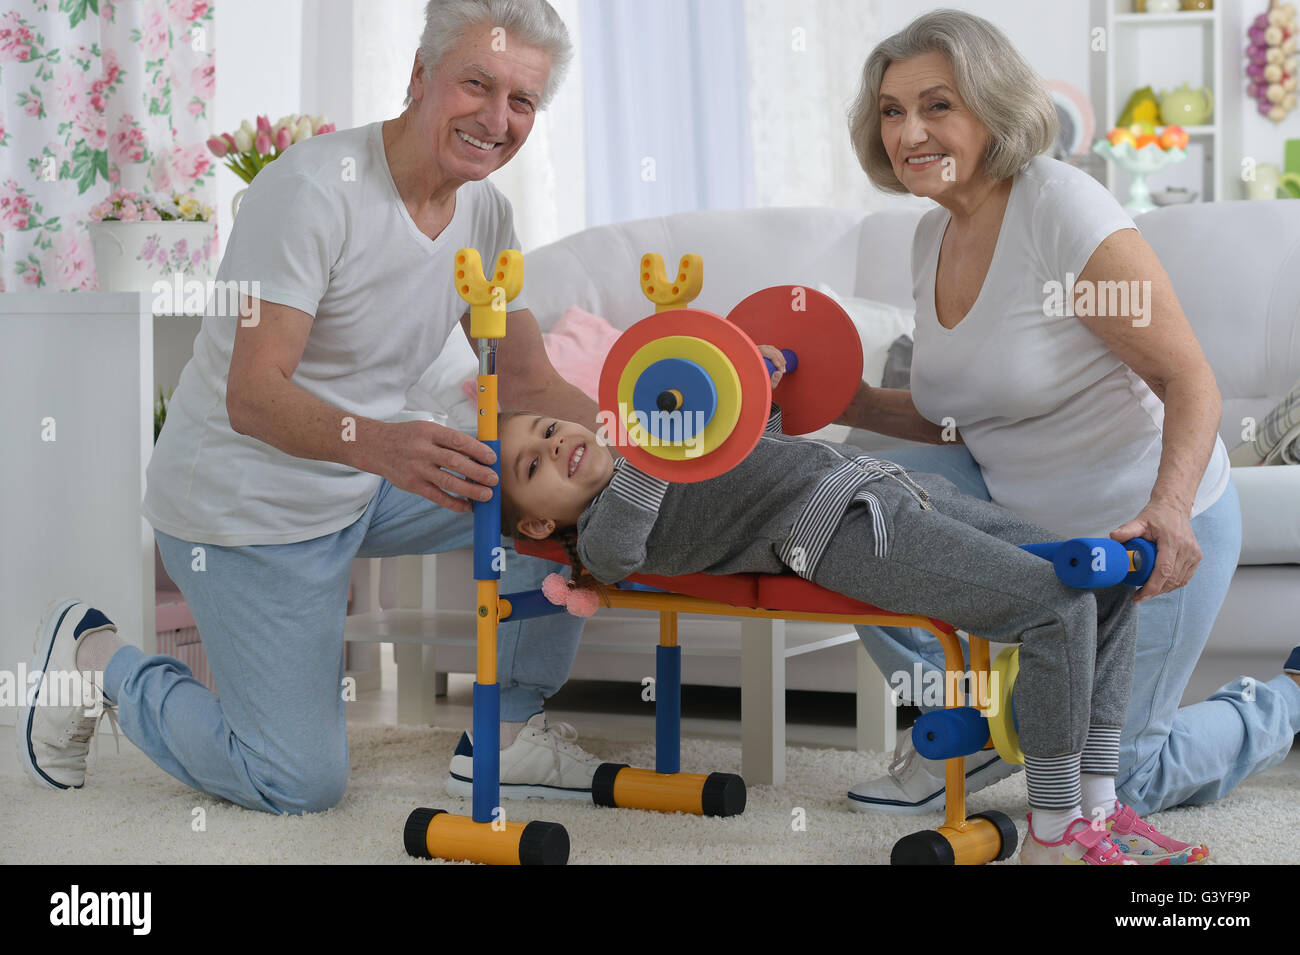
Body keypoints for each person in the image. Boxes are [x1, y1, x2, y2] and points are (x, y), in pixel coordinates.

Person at [18, 0, 610, 814]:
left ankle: (502, 732)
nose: (497, 119)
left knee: (580, 496)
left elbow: (529, 382)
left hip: (361, 482)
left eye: (522, 102)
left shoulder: (486, 213)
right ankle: (99, 660)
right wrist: (389, 448)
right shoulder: (308, 191)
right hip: (248, 505)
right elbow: (253, 395)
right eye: (479, 83)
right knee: (296, 781)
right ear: (418, 76)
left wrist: (642, 441)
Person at [835, 9, 1300, 817]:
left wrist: (1170, 511)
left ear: (992, 104)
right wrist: (842, 399)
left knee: (1119, 782)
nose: (910, 130)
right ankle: (972, 727)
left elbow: (1189, 378)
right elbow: (958, 415)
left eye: (937, 104)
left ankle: (1289, 699)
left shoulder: (1061, 212)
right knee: (851, 498)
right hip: (1024, 531)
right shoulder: (931, 240)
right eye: (892, 110)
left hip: (1133, 532)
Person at [491, 343, 1210, 864]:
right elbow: (619, 549)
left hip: (891, 489)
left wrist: (753, 382)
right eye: (533, 464)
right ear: (536, 524)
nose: (557, 447)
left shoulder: (672, 451)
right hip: (842, 534)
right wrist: (654, 430)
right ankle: (1054, 836)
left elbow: (744, 447)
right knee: (1053, 607)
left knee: (1105, 581)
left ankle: (1099, 805)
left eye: (551, 430)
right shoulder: (613, 518)